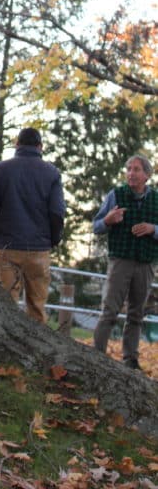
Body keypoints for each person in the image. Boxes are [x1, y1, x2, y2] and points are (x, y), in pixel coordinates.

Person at [0, 127, 65, 323]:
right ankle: (37, 348)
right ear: (40, 147)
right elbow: (57, 213)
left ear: (17, 145)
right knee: (37, 308)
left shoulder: (1, 170)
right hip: (39, 248)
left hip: (7, 245)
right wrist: (51, 240)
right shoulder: (52, 173)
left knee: (5, 306)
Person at [92, 154, 158, 370]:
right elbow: (97, 226)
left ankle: (130, 360)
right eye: (129, 169)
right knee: (110, 310)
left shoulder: (156, 199)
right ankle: (97, 356)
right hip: (120, 261)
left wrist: (153, 229)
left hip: (146, 263)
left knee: (137, 314)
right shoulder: (115, 195)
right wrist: (108, 220)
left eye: (136, 169)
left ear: (147, 175)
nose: (131, 173)